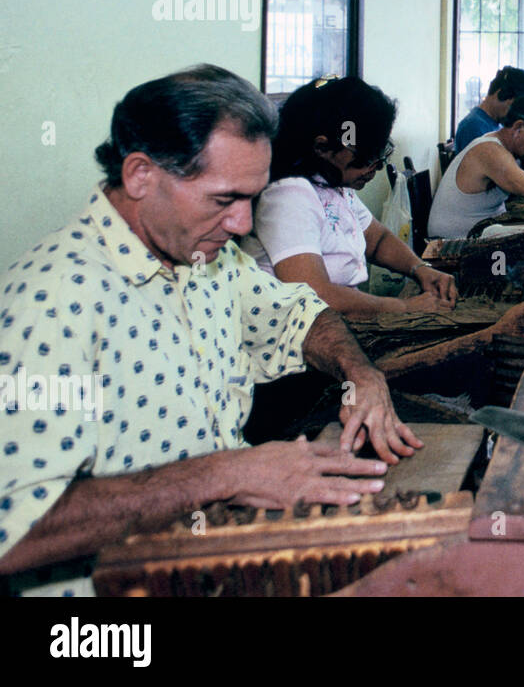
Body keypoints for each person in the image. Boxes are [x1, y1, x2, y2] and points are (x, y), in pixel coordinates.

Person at [0, 66, 419, 592]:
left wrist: (361, 374)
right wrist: (227, 474)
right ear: (139, 176)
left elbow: (299, 313)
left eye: (252, 197)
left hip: (209, 565)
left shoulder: (208, 259)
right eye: (224, 200)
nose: (244, 224)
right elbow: (14, 528)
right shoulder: (53, 303)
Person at [242, 77, 457, 317]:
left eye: (380, 157)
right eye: (366, 159)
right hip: (297, 338)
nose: (373, 170)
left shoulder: (332, 184)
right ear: (322, 148)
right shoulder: (288, 196)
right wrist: (404, 308)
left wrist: (420, 269)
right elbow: (315, 296)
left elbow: (378, 240)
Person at [428, 95, 524, 239]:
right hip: (451, 243)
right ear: (518, 127)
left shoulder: (523, 151)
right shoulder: (490, 151)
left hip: (482, 232)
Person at [454, 66, 524, 152]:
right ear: (501, 94)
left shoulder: (496, 124)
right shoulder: (473, 127)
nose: (514, 113)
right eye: (513, 106)